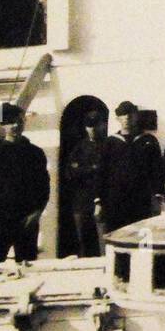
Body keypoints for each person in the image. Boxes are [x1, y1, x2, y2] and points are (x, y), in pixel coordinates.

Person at [0, 103, 50, 276]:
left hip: (27, 221)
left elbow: (43, 186)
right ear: (2, 125)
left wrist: (37, 212)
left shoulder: (35, 153)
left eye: (18, 121)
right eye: (9, 122)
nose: (15, 125)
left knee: (27, 270)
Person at [99, 101, 163, 231]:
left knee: (143, 243)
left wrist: (158, 196)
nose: (127, 117)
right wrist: (98, 201)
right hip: (116, 201)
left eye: (130, 114)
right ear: (118, 118)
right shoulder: (110, 143)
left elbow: (157, 171)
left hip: (141, 201)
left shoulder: (148, 141)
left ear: (136, 116)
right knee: (117, 239)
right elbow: (101, 174)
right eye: (123, 114)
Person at [64, 109, 106, 256]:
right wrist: (93, 168)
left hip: (103, 202)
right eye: (89, 125)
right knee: (84, 243)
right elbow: (70, 173)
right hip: (82, 202)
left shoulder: (108, 146)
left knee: (104, 244)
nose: (92, 129)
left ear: (102, 125)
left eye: (96, 124)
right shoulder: (79, 149)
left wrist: (83, 169)